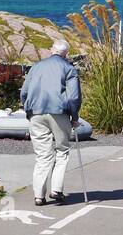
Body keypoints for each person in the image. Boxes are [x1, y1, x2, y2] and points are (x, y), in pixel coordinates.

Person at [21, 40, 82, 204]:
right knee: (62, 150)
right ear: (67, 54)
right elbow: (73, 97)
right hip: (59, 113)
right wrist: (74, 117)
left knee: (42, 155)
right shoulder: (69, 68)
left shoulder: (36, 67)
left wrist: (28, 110)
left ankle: (38, 196)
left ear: (51, 51)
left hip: (36, 113)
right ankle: (56, 190)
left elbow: (24, 92)